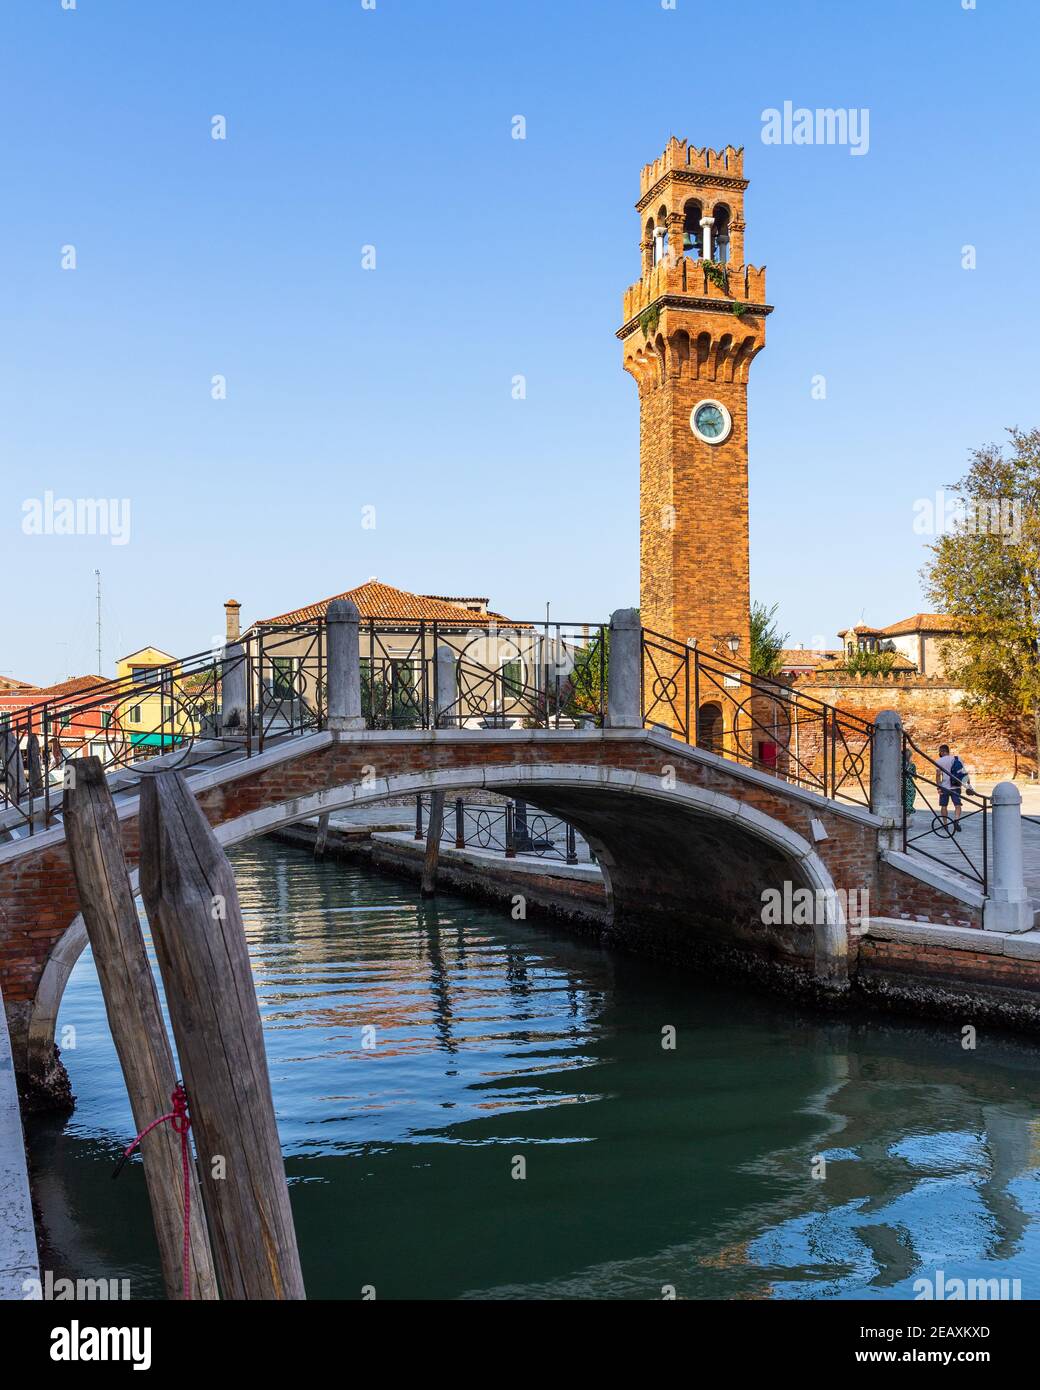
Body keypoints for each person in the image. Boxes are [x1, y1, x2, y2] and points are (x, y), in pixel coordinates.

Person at [935, 743, 968, 832]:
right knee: (957, 805)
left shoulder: (939, 761)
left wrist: (938, 787)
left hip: (944, 787)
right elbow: (963, 772)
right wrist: (968, 785)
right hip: (956, 786)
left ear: (941, 752)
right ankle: (956, 820)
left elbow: (938, 775)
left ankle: (945, 824)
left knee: (944, 805)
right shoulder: (957, 759)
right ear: (948, 751)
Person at [903, 748, 917, 818]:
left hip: (900, 784)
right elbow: (915, 776)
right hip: (909, 784)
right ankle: (907, 813)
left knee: (902, 799)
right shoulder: (912, 765)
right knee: (910, 796)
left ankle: (903, 813)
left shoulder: (899, 764)